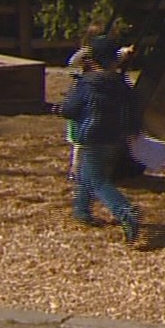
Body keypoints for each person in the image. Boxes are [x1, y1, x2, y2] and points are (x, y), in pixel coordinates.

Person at [58, 33, 142, 246]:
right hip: (115, 137)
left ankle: (125, 211)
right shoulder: (121, 84)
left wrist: (58, 109)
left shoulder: (87, 84)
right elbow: (133, 109)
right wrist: (132, 131)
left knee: (97, 180)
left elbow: (70, 110)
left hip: (92, 135)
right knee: (87, 174)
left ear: (92, 59)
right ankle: (81, 211)